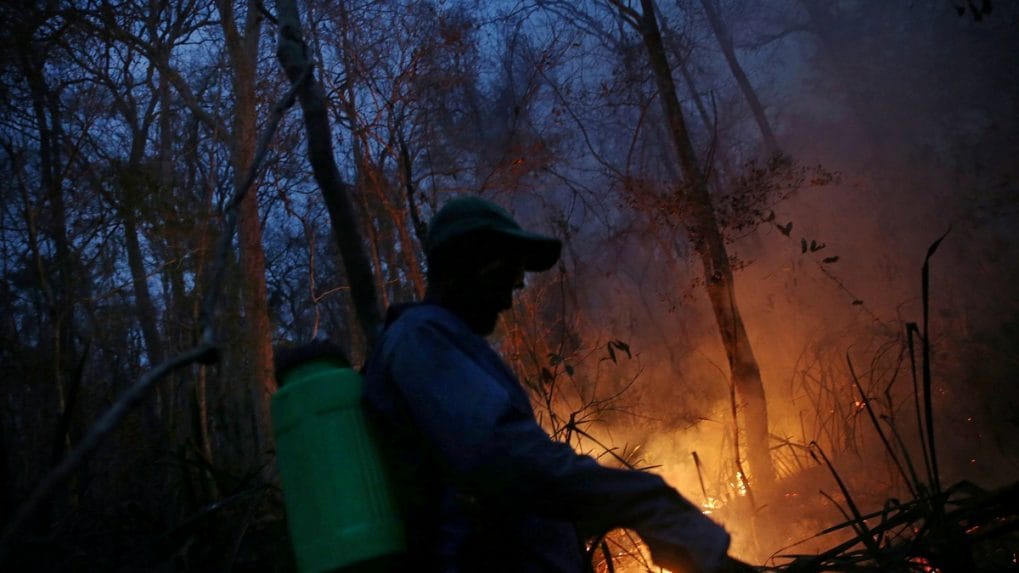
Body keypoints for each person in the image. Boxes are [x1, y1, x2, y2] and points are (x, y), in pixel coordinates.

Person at [362, 195, 745, 572]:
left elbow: (516, 491)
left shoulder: (445, 344)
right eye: (504, 278)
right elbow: (506, 459)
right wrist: (645, 499)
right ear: (471, 264)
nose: (508, 303)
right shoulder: (421, 338)